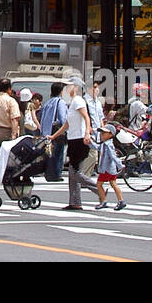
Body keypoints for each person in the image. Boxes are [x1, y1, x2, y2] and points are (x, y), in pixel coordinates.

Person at [46, 76, 98, 210]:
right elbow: (67, 125)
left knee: (75, 173)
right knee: (72, 173)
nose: (66, 88)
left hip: (80, 140)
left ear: (75, 87)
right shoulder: (72, 102)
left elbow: (86, 117)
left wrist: (87, 133)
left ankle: (99, 189)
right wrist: (53, 136)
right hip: (73, 140)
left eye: (69, 86)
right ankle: (75, 202)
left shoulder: (78, 101)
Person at [92, 121, 127, 211]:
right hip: (109, 168)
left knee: (99, 184)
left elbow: (113, 156)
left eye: (104, 133)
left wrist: (120, 165)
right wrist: (90, 142)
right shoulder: (105, 144)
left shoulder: (108, 145)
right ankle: (120, 200)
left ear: (111, 135)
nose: (101, 135)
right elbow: (97, 147)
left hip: (106, 169)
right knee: (113, 184)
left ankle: (104, 201)